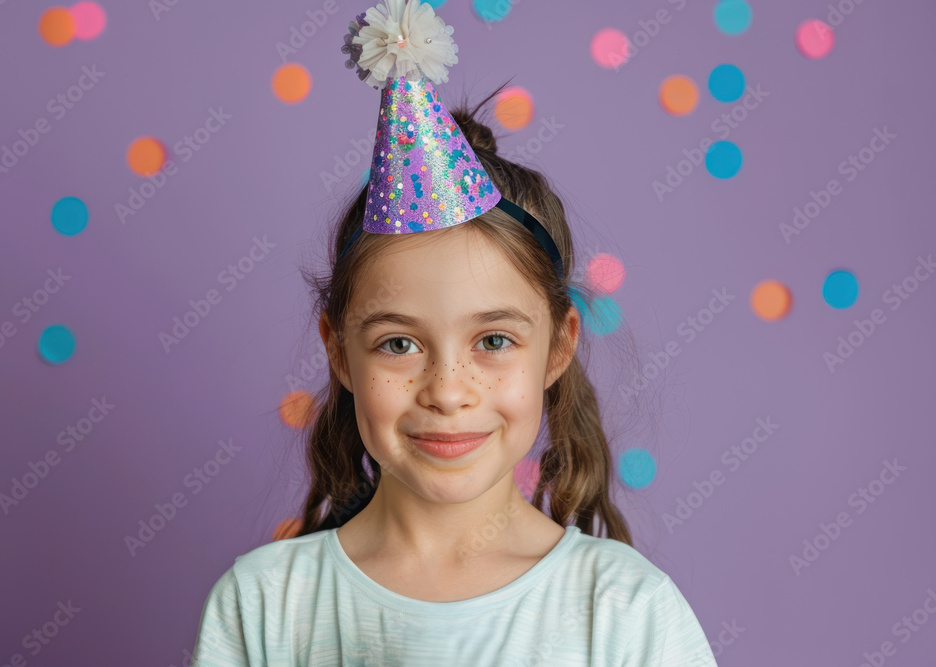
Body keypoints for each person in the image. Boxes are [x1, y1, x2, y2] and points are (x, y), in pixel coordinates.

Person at [191, 1, 718, 664]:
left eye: (493, 340)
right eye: (398, 343)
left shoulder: (623, 611)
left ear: (557, 346)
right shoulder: (266, 605)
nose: (447, 390)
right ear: (339, 351)